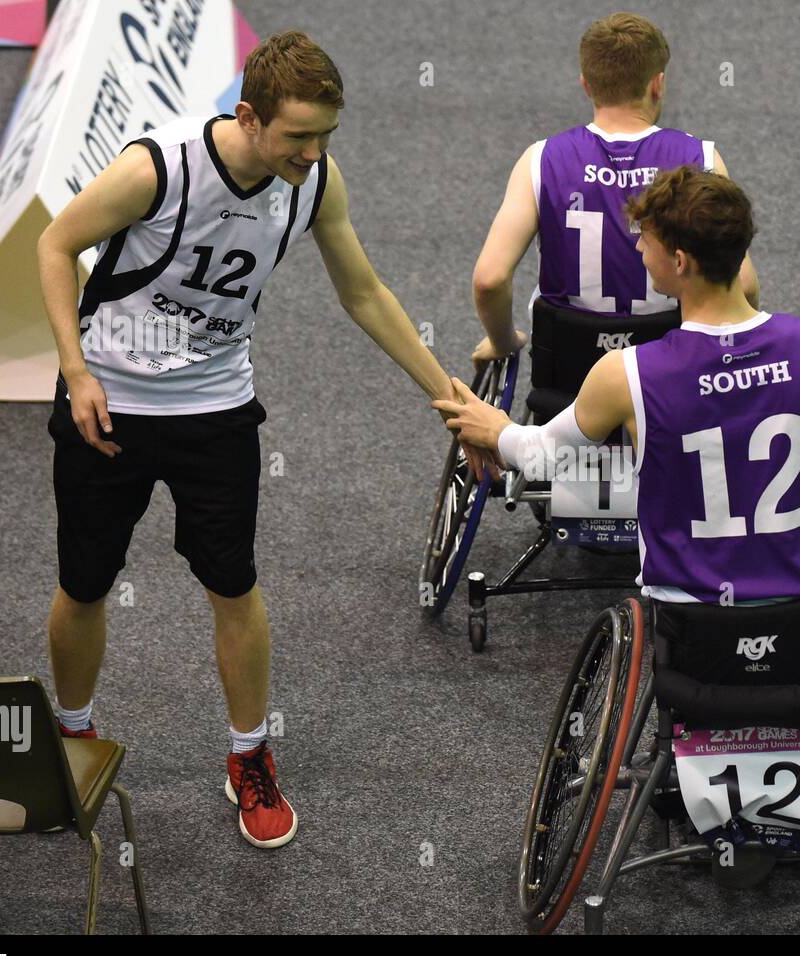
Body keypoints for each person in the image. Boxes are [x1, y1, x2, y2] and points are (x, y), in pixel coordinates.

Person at [37, 31, 489, 849]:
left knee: (234, 585)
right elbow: (55, 244)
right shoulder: (159, 169)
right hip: (112, 409)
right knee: (85, 584)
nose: (315, 154)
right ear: (248, 117)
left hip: (216, 411)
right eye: (300, 137)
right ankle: (72, 733)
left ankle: (248, 755)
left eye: (327, 137)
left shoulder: (309, 185)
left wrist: (450, 401)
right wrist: (76, 372)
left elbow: (366, 294)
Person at [436, 166, 800, 624]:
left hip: (694, 625)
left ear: (680, 262)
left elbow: (541, 459)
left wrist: (497, 430)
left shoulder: (627, 372)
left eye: (645, 238)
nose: (637, 245)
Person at [470, 12, 758, 372]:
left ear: (587, 85)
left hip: (568, 378)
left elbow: (489, 280)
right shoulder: (699, 159)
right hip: (671, 377)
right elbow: (743, 287)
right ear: (658, 84)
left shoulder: (540, 160)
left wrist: (503, 342)